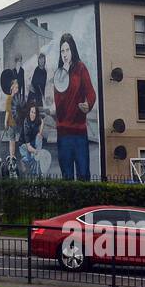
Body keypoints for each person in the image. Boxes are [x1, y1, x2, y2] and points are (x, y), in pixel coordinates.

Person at [51, 33, 96, 180]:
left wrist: (88, 105)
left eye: (67, 50)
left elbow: (91, 92)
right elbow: (59, 104)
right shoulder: (58, 74)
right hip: (63, 133)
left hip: (79, 132)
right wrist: (64, 73)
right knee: (67, 176)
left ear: (73, 50)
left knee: (84, 174)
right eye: (62, 51)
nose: (65, 54)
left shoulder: (81, 68)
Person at [18, 102, 47, 177]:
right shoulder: (26, 124)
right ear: (29, 112)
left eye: (34, 113)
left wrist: (40, 133)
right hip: (24, 144)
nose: (33, 114)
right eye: (31, 112)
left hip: (33, 142)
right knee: (30, 158)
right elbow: (28, 147)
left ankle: (36, 173)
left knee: (39, 138)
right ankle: (23, 161)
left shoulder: (37, 118)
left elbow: (42, 121)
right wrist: (37, 152)